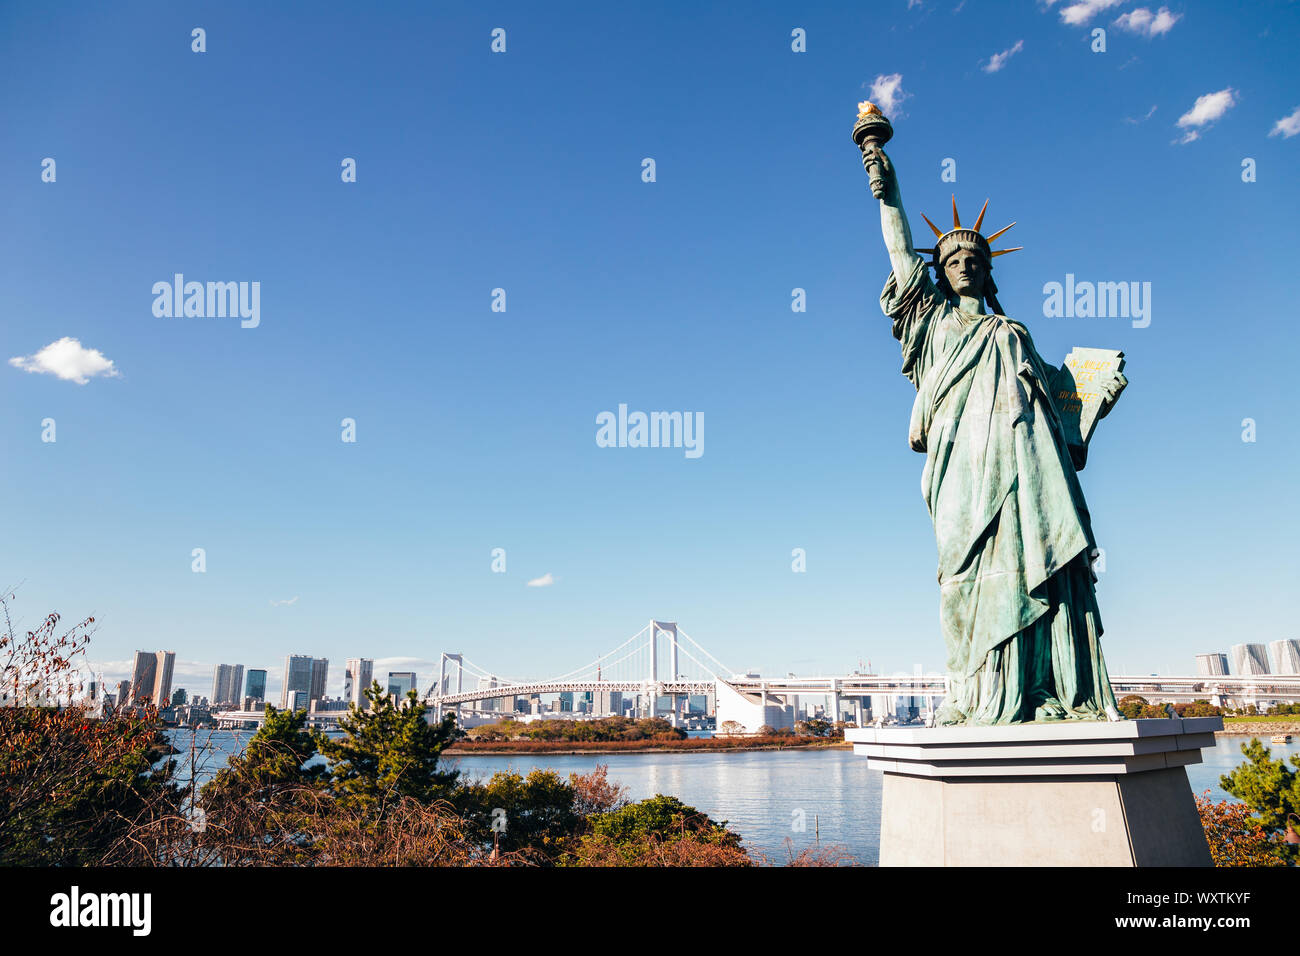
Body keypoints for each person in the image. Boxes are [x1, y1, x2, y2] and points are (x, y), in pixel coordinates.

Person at [861, 142, 1126, 724]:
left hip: (1026, 467)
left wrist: (1093, 391)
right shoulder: (930, 320)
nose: (963, 265)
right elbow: (900, 249)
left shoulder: (1013, 330)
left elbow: (1064, 412)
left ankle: (1038, 689)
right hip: (960, 464)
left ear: (988, 269)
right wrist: (887, 185)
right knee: (964, 575)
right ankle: (975, 694)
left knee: (1037, 560)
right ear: (941, 271)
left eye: (974, 259)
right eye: (952, 260)